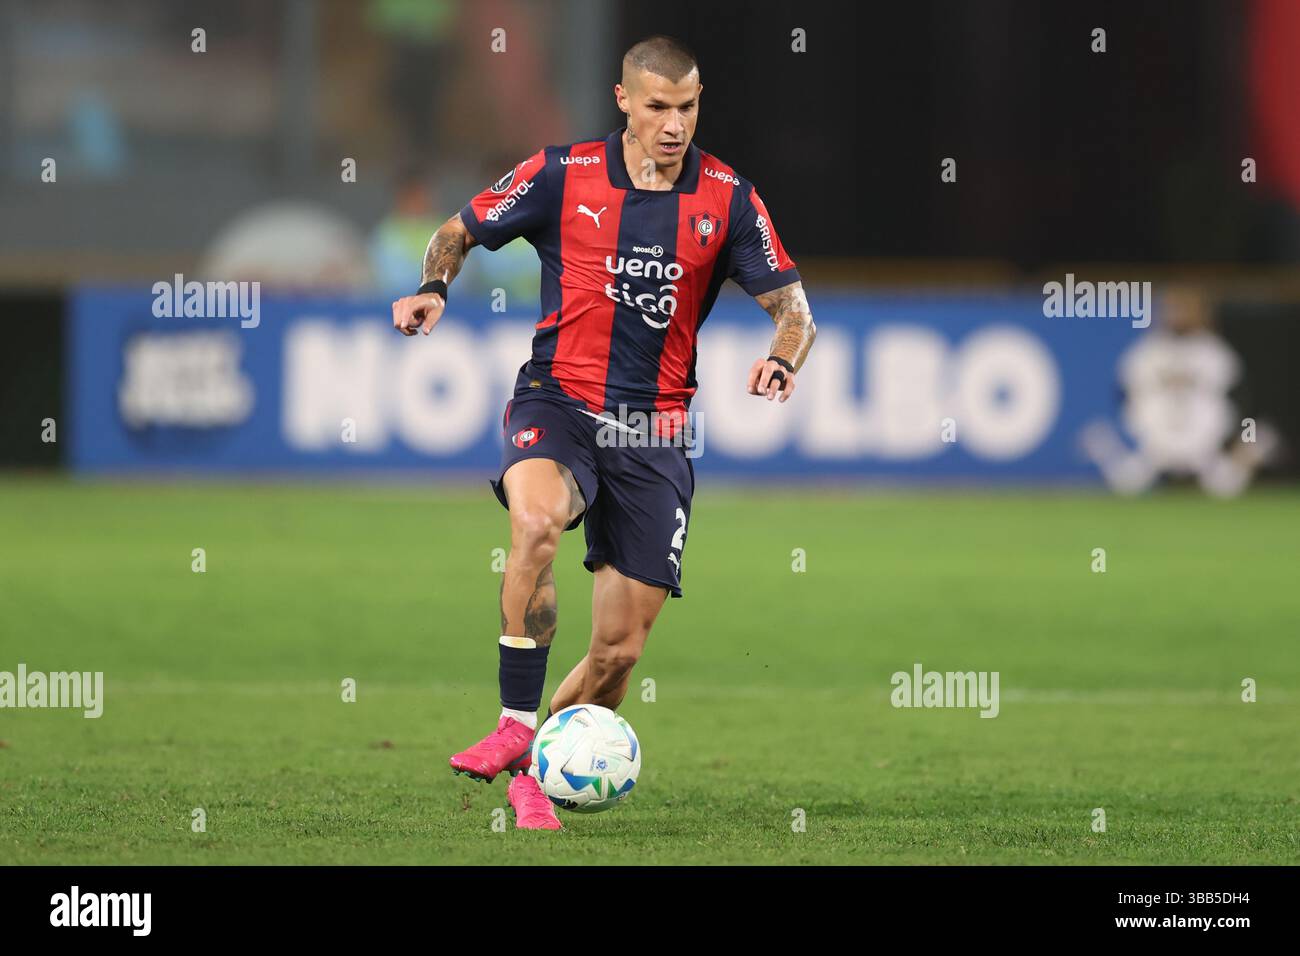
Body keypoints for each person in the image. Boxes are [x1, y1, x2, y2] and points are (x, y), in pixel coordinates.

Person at [390, 35, 816, 829]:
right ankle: (516, 724)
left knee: (619, 652)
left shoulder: (727, 198)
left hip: (653, 432)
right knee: (537, 521)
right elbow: (456, 230)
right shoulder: (562, 173)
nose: (674, 124)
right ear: (624, 101)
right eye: (657, 106)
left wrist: (783, 361)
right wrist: (431, 289)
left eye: (687, 108)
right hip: (560, 402)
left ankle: (532, 771)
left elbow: (795, 312)